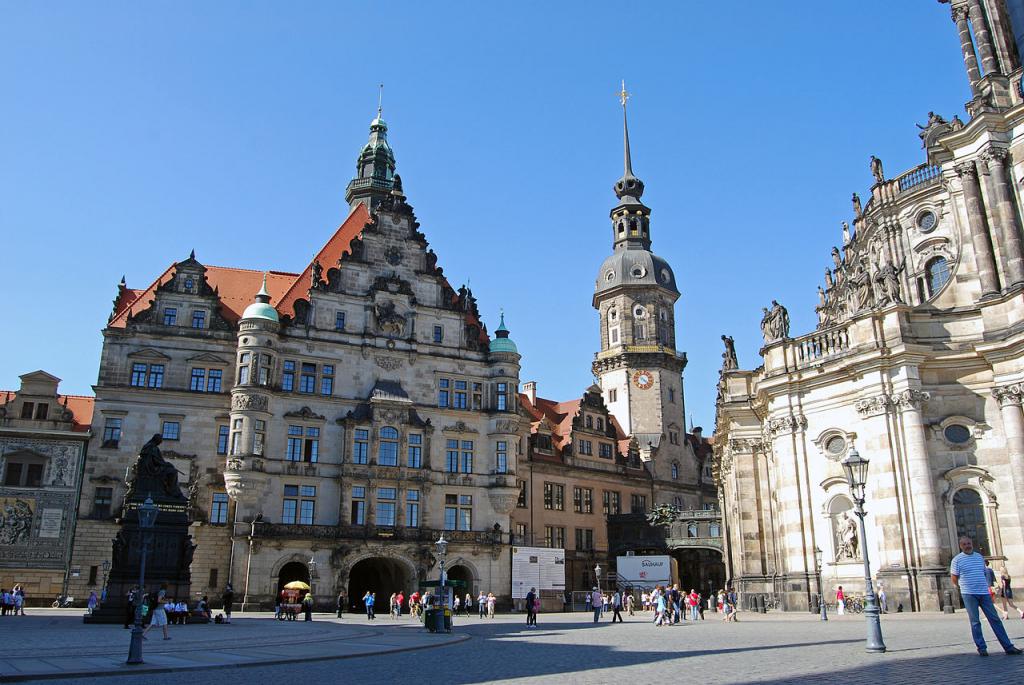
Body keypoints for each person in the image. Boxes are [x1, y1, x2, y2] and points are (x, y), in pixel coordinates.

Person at [952, 536, 1023, 656]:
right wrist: (960, 587)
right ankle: (982, 648)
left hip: (983, 593)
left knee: (995, 619)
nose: (967, 546)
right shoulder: (957, 560)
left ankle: (1008, 647)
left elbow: (983, 573)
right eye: (964, 544)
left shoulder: (979, 557)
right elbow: (954, 577)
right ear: (960, 546)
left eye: (969, 543)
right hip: (969, 594)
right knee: (975, 622)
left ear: (972, 544)